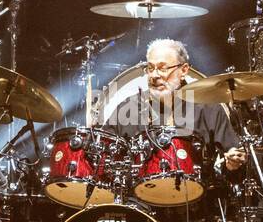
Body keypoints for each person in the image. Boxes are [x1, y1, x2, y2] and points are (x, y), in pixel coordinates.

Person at [104, 37, 246, 171]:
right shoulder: (128, 108)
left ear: (183, 70)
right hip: (137, 196)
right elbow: (103, 155)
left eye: (162, 68)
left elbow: (234, 161)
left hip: (199, 195)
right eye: (150, 68)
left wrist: (233, 163)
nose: (154, 75)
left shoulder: (208, 108)